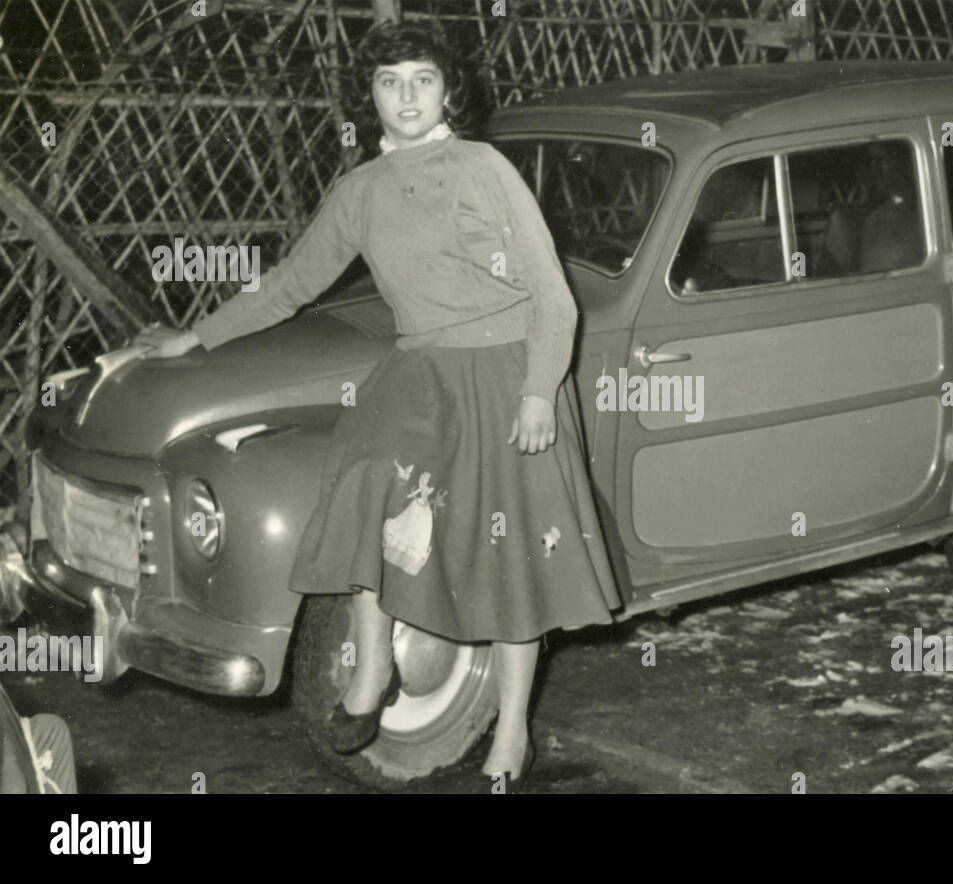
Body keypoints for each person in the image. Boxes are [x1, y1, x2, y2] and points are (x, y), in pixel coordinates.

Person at [134, 20, 621, 787]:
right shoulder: (359, 191)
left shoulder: (482, 166)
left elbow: (555, 300)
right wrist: (196, 337)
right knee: (364, 487)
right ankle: (371, 674)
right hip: (422, 370)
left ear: (447, 90)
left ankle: (512, 734)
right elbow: (291, 284)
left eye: (422, 80)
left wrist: (537, 395)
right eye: (390, 83)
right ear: (369, 97)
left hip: (507, 374)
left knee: (508, 563)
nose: (407, 97)